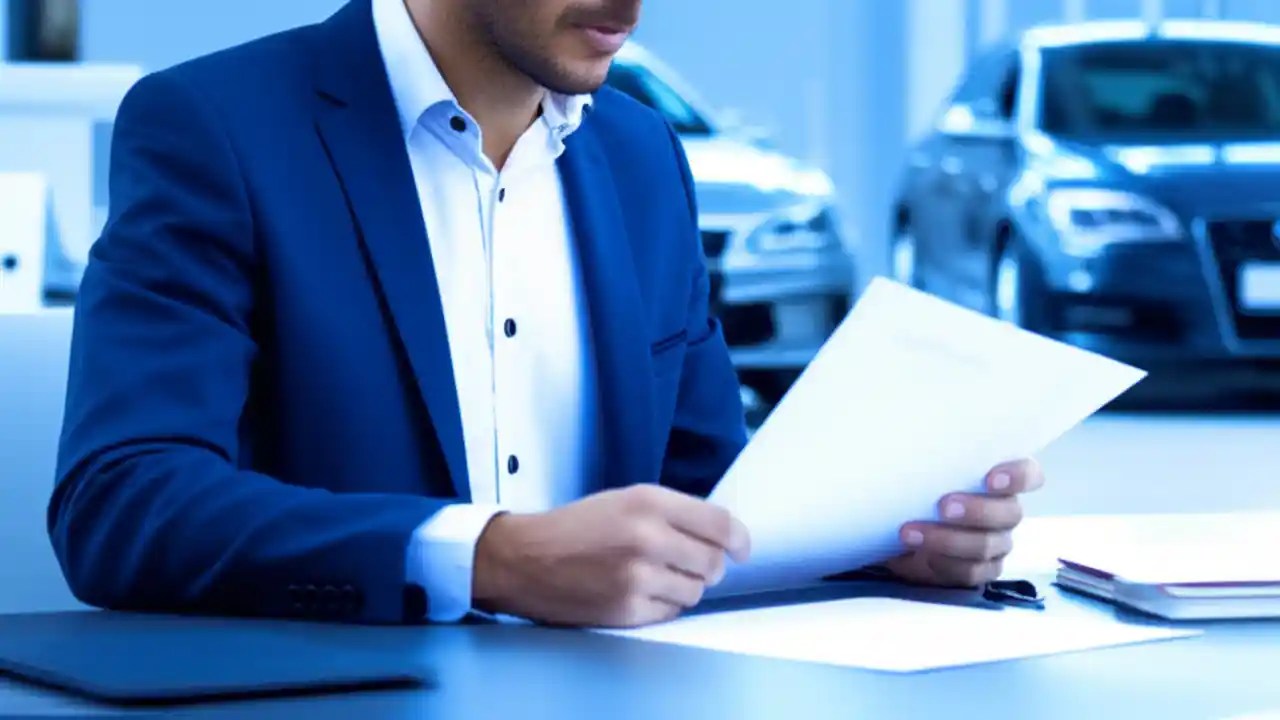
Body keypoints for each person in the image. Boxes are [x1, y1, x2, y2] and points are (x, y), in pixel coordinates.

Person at [49, 0, 1044, 628]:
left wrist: (869, 542)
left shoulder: (642, 156)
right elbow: (124, 503)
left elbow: (708, 498)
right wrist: (488, 557)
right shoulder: (218, 125)